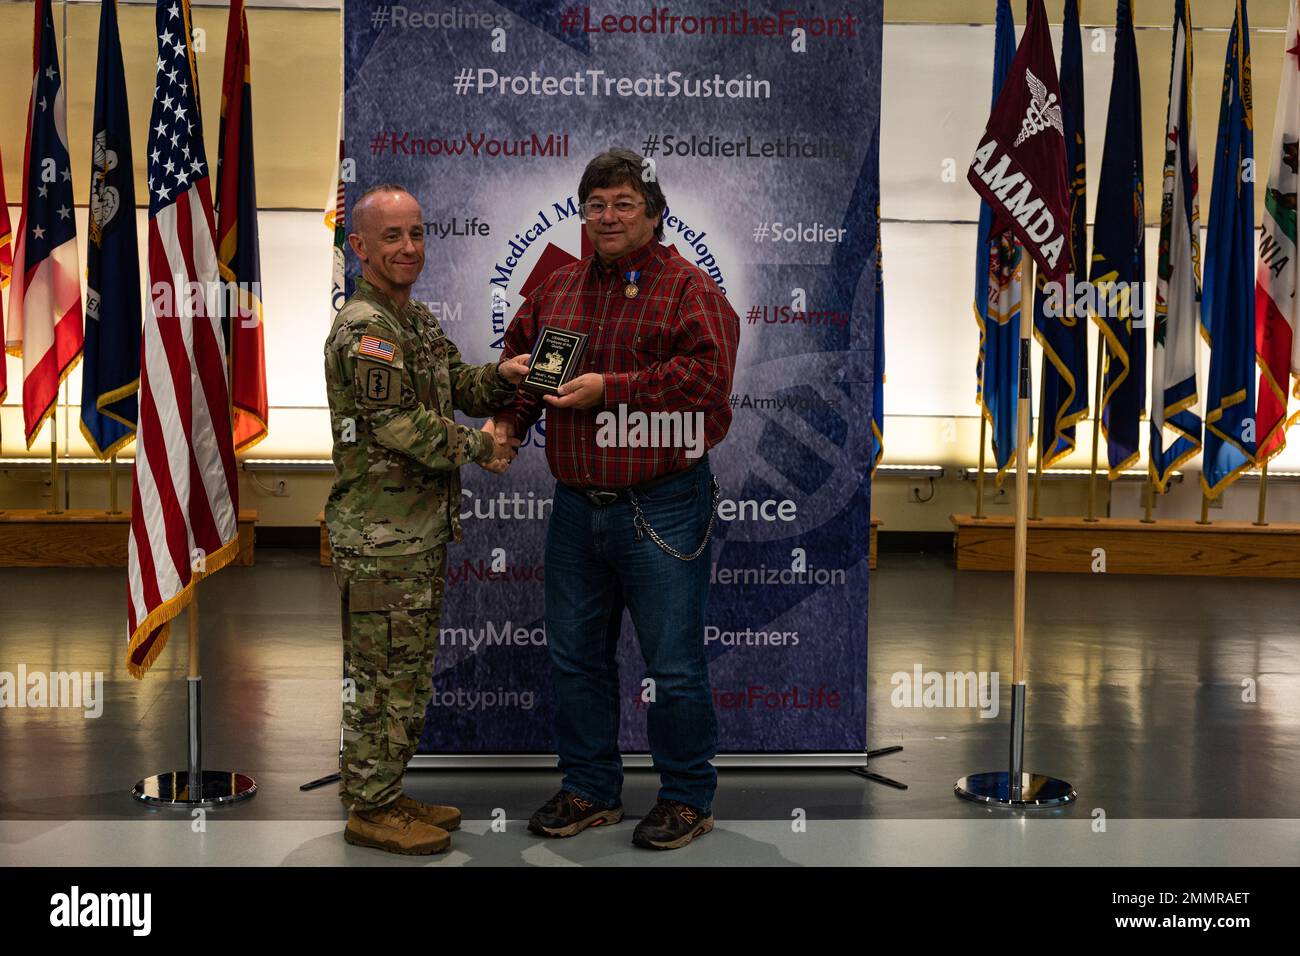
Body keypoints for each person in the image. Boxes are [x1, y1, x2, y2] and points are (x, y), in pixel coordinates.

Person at [493, 148, 740, 850]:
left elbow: (705, 385)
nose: (607, 215)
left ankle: (688, 796)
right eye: (596, 203)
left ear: (655, 214)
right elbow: (525, 374)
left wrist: (613, 389)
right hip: (575, 508)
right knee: (575, 658)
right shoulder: (559, 289)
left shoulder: (690, 290)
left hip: (662, 504)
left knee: (674, 665)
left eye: (624, 203)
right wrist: (508, 424)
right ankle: (590, 787)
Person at [324, 183, 527, 855]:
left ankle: (383, 791)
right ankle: (370, 810)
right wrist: (483, 446)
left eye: (415, 233)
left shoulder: (411, 318)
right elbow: (398, 425)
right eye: (391, 237)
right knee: (384, 679)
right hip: (383, 539)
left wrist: (506, 376)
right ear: (360, 247)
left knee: (404, 673)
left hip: (414, 532)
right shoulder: (366, 328)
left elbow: (456, 384)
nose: (408, 247)